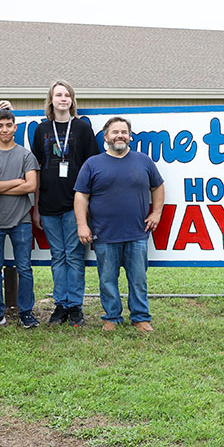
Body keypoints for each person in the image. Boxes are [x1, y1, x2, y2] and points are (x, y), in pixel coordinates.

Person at [74, 117, 164, 332]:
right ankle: (111, 318)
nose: (120, 135)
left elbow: (158, 187)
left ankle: (141, 317)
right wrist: (82, 225)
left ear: (130, 136)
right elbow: (81, 196)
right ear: (106, 137)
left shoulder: (143, 161)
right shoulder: (93, 164)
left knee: (138, 279)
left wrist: (157, 213)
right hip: (104, 234)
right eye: (115, 132)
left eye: (124, 132)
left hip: (137, 232)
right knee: (107, 280)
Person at [32, 80, 98, 326]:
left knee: (74, 256)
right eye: (58, 94)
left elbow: (92, 167)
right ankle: (60, 305)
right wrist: (36, 206)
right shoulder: (41, 130)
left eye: (67, 95)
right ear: (51, 99)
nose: (63, 98)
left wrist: (89, 205)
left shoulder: (82, 128)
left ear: (72, 100)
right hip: (49, 204)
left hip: (75, 204)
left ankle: (75, 306)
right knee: (57, 256)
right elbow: (36, 169)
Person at [0, 109, 40, 329]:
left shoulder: (25, 155)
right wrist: (17, 181)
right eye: (0, 125)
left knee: (24, 267)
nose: (4, 129)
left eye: (8, 125)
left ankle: (26, 312)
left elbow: (31, 186)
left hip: (21, 219)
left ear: (15, 128)